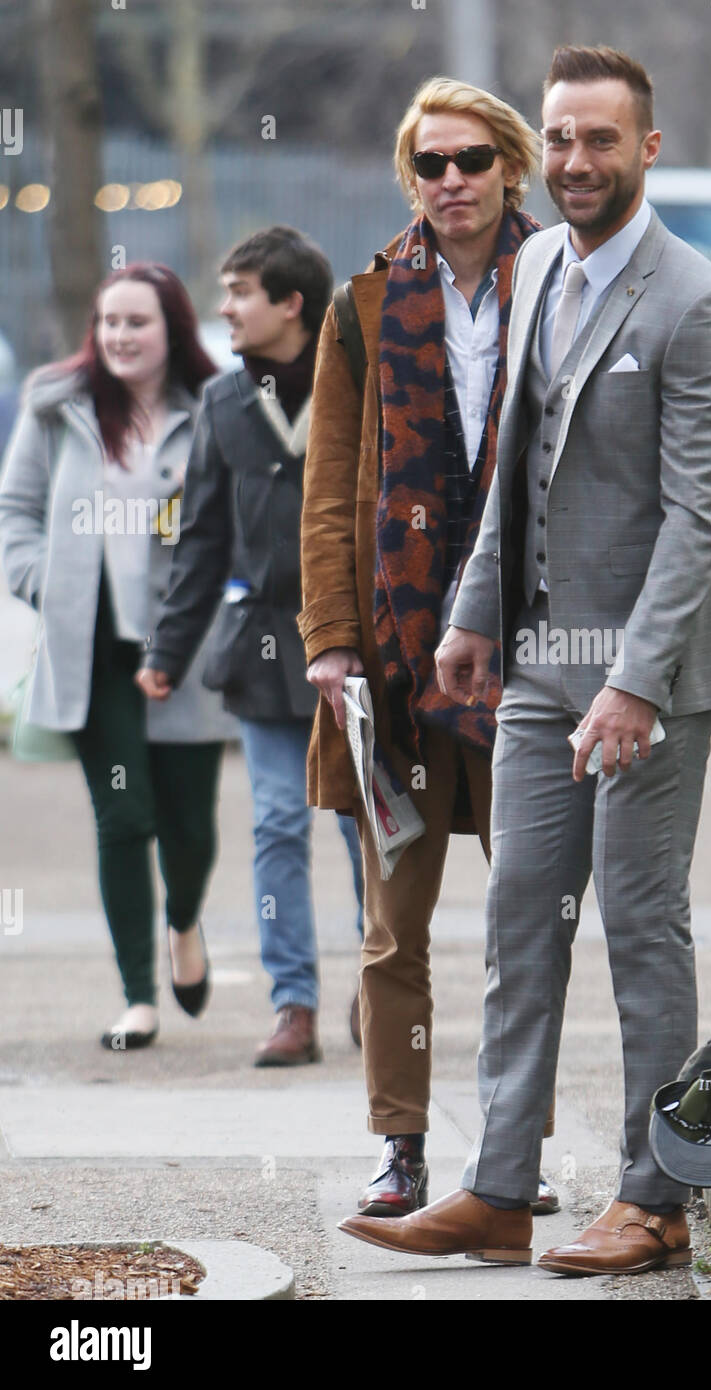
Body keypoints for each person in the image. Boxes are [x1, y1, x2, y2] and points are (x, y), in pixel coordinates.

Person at [338, 44, 711, 1277]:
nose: (575, 162)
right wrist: (471, 620)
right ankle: (500, 1185)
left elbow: (698, 519)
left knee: (639, 924)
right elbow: (512, 468)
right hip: (533, 668)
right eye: (561, 139)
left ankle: (656, 1193)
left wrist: (632, 681)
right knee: (521, 922)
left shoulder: (697, 302)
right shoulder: (534, 272)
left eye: (600, 141)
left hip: (651, 679)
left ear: (648, 149)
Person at [300, 77, 560, 1219]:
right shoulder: (362, 305)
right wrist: (332, 642)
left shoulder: (560, 282)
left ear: (511, 165)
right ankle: (399, 1147)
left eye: (470, 161)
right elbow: (326, 494)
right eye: (430, 164)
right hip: (398, 667)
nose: (450, 181)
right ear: (412, 178)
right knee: (393, 931)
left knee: (529, 924)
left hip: (527, 659)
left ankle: (514, 1158)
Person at [136, 227, 364, 1067]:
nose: (223, 309)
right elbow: (199, 541)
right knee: (275, 824)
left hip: (357, 652)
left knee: (361, 830)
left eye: (239, 293)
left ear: (291, 303)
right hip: (265, 649)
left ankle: (376, 987)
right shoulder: (224, 404)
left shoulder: (357, 382)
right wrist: (167, 651)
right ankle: (293, 1005)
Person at [0, 263, 237, 1050]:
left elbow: (237, 521)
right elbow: (16, 514)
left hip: (183, 647)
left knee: (189, 827)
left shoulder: (210, 410)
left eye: (138, 322)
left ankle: (184, 923)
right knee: (124, 816)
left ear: (171, 330)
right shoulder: (55, 407)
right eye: (109, 322)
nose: (120, 337)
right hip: (91, 646)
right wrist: (45, 582)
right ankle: (138, 995)